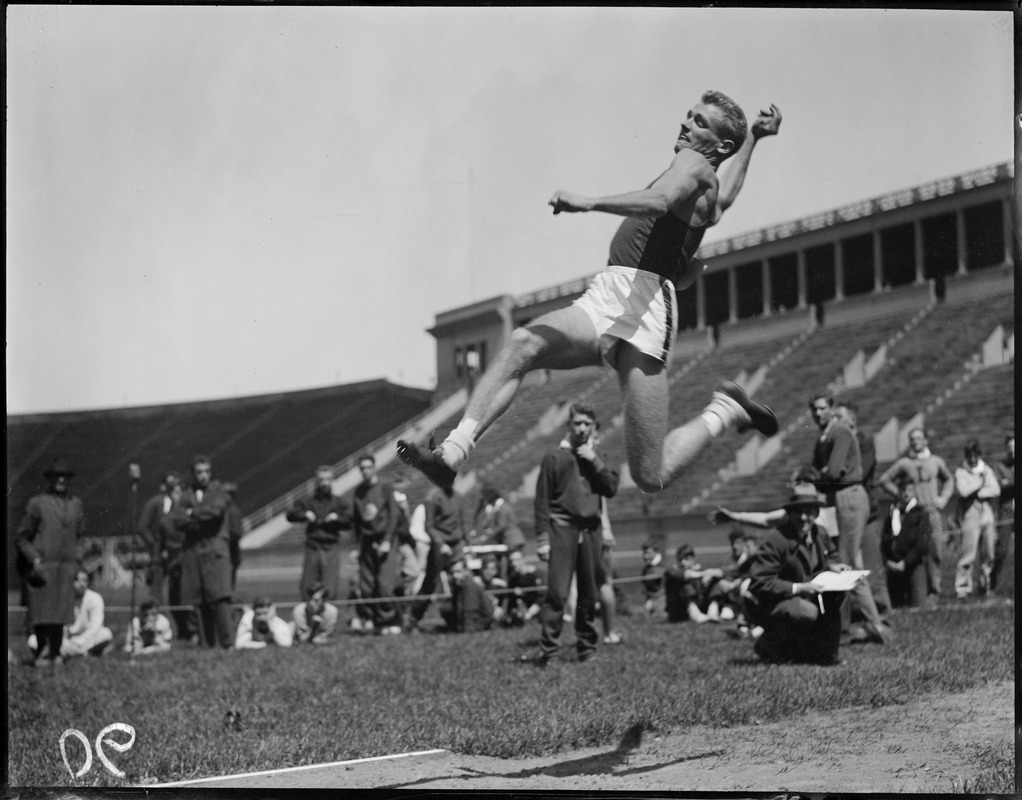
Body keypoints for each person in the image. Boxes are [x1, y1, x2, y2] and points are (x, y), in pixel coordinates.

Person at [398, 94, 782, 494]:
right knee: (525, 342)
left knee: (650, 475)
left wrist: (589, 201)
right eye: (688, 115)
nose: (686, 124)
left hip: (646, 306)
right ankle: (451, 454)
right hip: (611, 292)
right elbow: (724, 202)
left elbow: (659, 201)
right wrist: (753, 138)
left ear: (719, 147)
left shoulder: (693, 164)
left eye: (699, 122)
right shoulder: (709, 181)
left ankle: (724, 411)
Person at [530, 402, 619, 664]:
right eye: (577, 423)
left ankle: (587, 648)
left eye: (587, 424)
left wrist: (594, 461)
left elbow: (611, 488)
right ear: (569, 425)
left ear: (593, 427)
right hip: (562, 529)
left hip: (591, 530)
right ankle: (550, 651)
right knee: (557, 593)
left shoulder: (599, 454)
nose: (582, 428)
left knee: (589, 594)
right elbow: (541, 502)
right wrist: (543, 540)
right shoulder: (554, 457)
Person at [746, 485, 855, 665]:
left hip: (813, 595)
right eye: (798, 512)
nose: (804, 517)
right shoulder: (776, 539)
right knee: (806, 611)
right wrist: (798, 588)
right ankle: (768, 646)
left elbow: (832, 555)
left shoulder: (820, 533)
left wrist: (835, 566)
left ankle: (824, 654)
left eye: (809, 512)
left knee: (835, 600)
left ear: (817, 513)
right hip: (775, 603)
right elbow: (759, 582)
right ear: (789, 513)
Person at [15, 459, 87, 667]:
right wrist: (35, 559)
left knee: (61, 614)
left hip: (66, 569)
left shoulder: (76, 504)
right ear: (50, 479)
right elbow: (21, 537)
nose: (61, 480)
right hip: (43, 568)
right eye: (57, 476)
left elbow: (81, 535)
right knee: (42, 614)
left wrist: (78, 557)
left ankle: (56, 652)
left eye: (65, 476)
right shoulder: (37, 503)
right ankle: (42, 652)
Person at [878, 428, 954, 603]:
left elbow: (949, 479)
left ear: (926, 441)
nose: (915, 442)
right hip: (913, 515)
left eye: (919, 438)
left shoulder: (936, 461)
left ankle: (934, 591)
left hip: (932, 512)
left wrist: (944, 497)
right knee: (915, 551)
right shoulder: (904, 463)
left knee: (935, 552)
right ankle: (915, 589)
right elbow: (884, 479)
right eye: (912, 439)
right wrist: (900, 494)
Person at [835, 401, 892, 618]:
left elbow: (856, 472)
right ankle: (857, 615)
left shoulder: (864, 441)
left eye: (838, 417)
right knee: (848, 562)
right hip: (844, 509)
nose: (833, 422)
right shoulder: (836, 440)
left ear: (851, 419)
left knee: (871, 564)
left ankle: (883, 615)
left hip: (864, 509)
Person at [178, 455, 236, 649]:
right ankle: (206, 644)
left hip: (215, 549)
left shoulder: (220, 491)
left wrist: (192, 513)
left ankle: (227, 643)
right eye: (198, 472)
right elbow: (177, 519)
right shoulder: (186, 495)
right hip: (194, 551)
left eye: (206, 472)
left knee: (221, 597)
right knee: (199, 598)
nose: (203, 476)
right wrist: (193, 515)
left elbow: (215, 511)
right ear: (193, 474)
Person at [405, 479, 468, 633]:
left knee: (461, 580)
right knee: (430, 584)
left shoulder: (458, 497)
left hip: (456, 546)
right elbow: (430, 526)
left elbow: (460, 524)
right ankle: (413, 619)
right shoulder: (433, 498)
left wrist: (466, 543)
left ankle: (460, 619)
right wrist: (441, 544)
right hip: (439, 548)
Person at [285, 465, 353, 600]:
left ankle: (328, 616)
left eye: (328, 479)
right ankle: (309, 615)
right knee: (307, 586)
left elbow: (350, 521)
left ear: (332, 480)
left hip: (330, 547)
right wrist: (305, 515)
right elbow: (290, 515)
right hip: (313, 547)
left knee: (330, 587)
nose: (325, 483)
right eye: (322, 480)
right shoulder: (309, 501)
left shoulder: (338, 502)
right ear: (317, 481)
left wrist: (337, 519)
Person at [351, 454, 402, 635]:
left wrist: (387, 540)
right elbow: (357, 522)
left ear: (374, 468)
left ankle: (391, 620)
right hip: (367, 543)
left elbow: (395, 515)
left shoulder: (385, 488)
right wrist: (356, 548)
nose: (365, 471)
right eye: (362, 468)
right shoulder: (358, 492)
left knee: (385, 585)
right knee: (366, 586)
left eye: (368, 467)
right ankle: (374, 620)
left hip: (385, 540)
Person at [952, 439, 1001, 599]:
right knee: (968, 552)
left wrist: (978, 492)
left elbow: (995, 490)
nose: (973, 459)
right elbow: (963, 491)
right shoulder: (961, 472)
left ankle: (984, 586)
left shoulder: (986, 469)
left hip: (986, 513)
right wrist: (980, 484)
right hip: (969, 514)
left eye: (975, 456)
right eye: (970, 456)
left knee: (988, 552)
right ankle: (963, 588)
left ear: (979, 455)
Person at [880, 480, 930, 608]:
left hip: (913, 563)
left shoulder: (921, 513)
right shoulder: (892, 513)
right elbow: (885, 540)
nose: (906, 494)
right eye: (903, 491)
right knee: (893, 604)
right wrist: (888, 561)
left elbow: (922, 544)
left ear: (914, 492)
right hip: (893, 565)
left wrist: (906, 562)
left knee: (918, 605)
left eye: (910, 490)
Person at [137, 471, 182, 604]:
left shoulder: (180, 502)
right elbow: (142, 527)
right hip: (158, 554)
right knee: (156, 592)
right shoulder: (155, 502)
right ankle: (155, 617)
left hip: (176, 553)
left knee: (178, 590)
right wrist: (154, 546)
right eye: (170, 483)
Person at [60, 567, 114, 658]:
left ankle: (74, 652)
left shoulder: (95, 598)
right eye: (77, 580)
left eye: (85, 580)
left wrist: (79, 641)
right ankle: (85, 652)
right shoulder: (64, 598)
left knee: (106, 633)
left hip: (87, 637)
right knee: (33, 641)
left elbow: (95, 627)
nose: (81, 584)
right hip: (68, 639)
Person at [663, 544, 723, 623]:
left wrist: (710, 575)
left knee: (714, 581)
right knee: (684, 584)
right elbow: (687, 575)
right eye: (685, 558)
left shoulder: (698, 568)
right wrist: (703, 574)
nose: (688, 561)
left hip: (699, 603)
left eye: (691, 558)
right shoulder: (672, 570)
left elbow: (720, 573)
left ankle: (713, 612)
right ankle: (695, 614)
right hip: (679, 609)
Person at [441, 558, 499, 633]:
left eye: (458, 571)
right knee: (445, 608)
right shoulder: (459, 586)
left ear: (466, 571)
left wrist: (466, 632)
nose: (454, 575)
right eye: (452, 573)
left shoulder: (469, 587)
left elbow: (469, 614)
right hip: (471, 622)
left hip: (479, 625)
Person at [990, 430, 1014, 594]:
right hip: (1006, 511)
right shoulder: (1000, 466)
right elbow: (998, 486)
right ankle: (992, 583)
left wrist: (1008, 482)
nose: (1013, 451)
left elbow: (1006, 484)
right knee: (1002, 550)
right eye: (1010, 448)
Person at [503, 549, 545, 626]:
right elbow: (510, 600)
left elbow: (542, 597)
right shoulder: (513, 578)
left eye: (517, 560)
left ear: (523, 560)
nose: (514, 564)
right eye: (511, 561)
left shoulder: (536, 574)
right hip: (522, 610)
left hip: (539, 610)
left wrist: (529, 614)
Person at [640, 541, 666, 616]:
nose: (645, 556)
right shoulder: (647, 567)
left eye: (648, 553)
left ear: (656, 552)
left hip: (661, 603)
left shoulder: (662, 566)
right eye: (644, 553)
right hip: (650, 602)